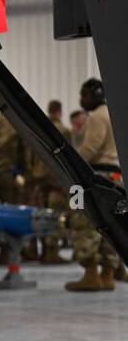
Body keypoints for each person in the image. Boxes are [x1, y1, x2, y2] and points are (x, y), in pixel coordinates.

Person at [65, 78, 121, 291]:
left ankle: (91, 275)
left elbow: (91, 147)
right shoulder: (113, 112)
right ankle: (107, 274)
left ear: (95, 95)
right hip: (115, 175)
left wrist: (71, 163)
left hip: (98, 174)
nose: (81, 100)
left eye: (84, 95)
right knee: (112, 224)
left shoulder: (97, 116)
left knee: (85, 222)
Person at [26, 100, 74, 263]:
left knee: (39, 214)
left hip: (39, 180)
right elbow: (68, 156)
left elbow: (29, 155)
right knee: (56, 214)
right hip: (56, 180)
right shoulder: (64, 130)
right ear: (60, 111)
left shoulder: (36, 129)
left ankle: (39, 250)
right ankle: (51, 252)